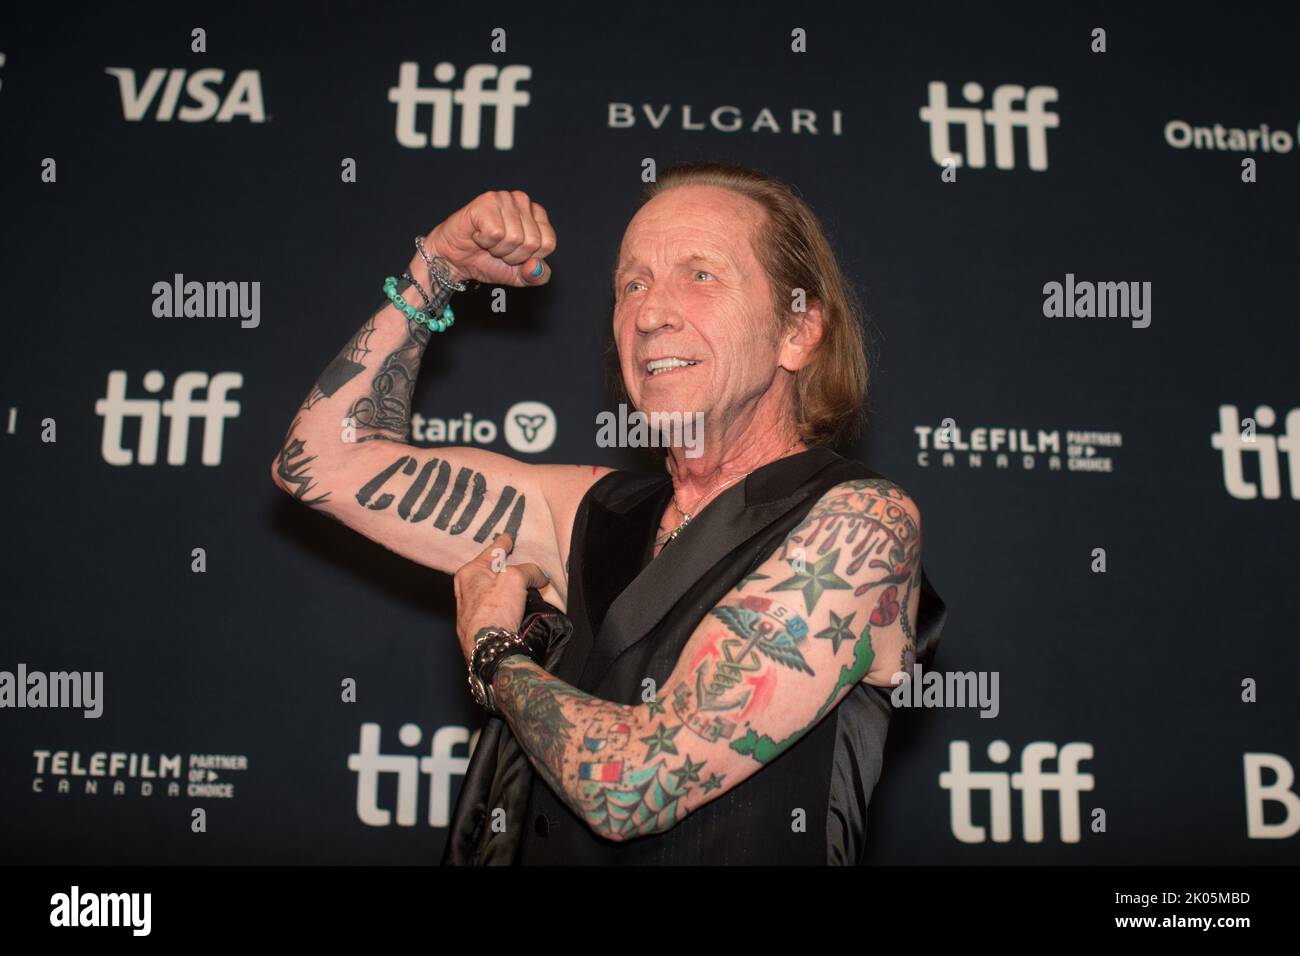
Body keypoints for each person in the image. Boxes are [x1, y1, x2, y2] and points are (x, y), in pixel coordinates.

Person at [271, 161, 946, 865]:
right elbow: (319, 461)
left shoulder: (862, 526)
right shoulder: (590, 513)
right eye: (633, 284)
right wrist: (435, 269)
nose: (650, 315)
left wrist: (495, 653)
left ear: (797, 331)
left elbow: (634, 788)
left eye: (701, 275)